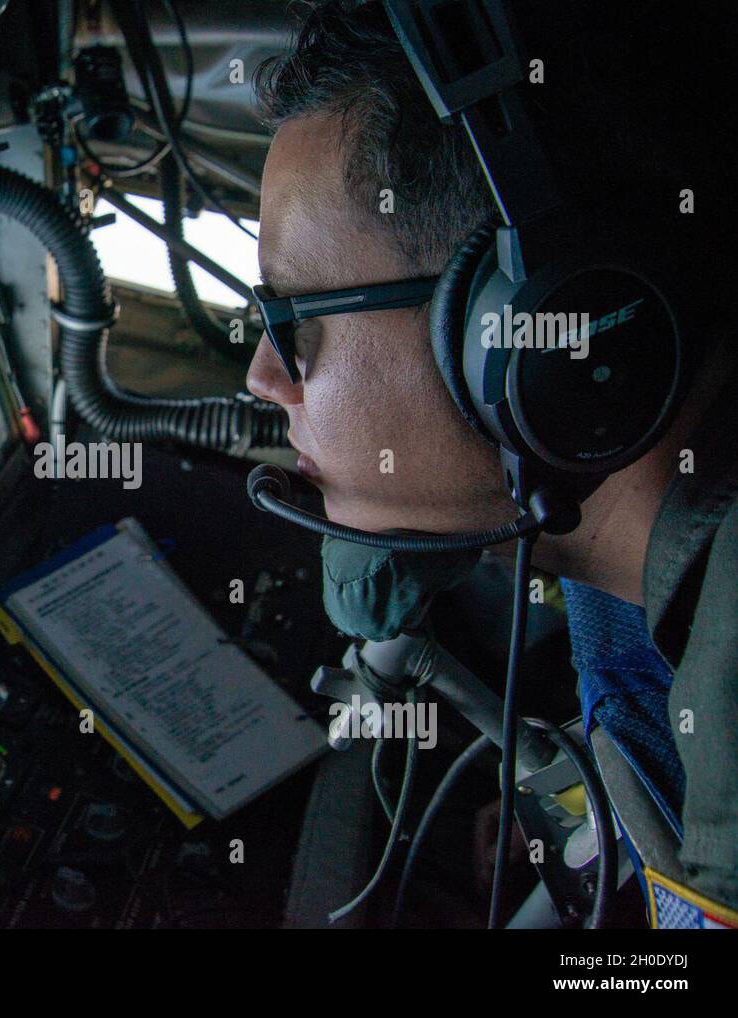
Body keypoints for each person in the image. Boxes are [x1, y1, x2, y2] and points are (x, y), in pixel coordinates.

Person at [245, 0, 737, 925]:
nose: (263, 377)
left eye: (293, 321)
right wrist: (601, 806)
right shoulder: (615, 539)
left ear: (525, 328)